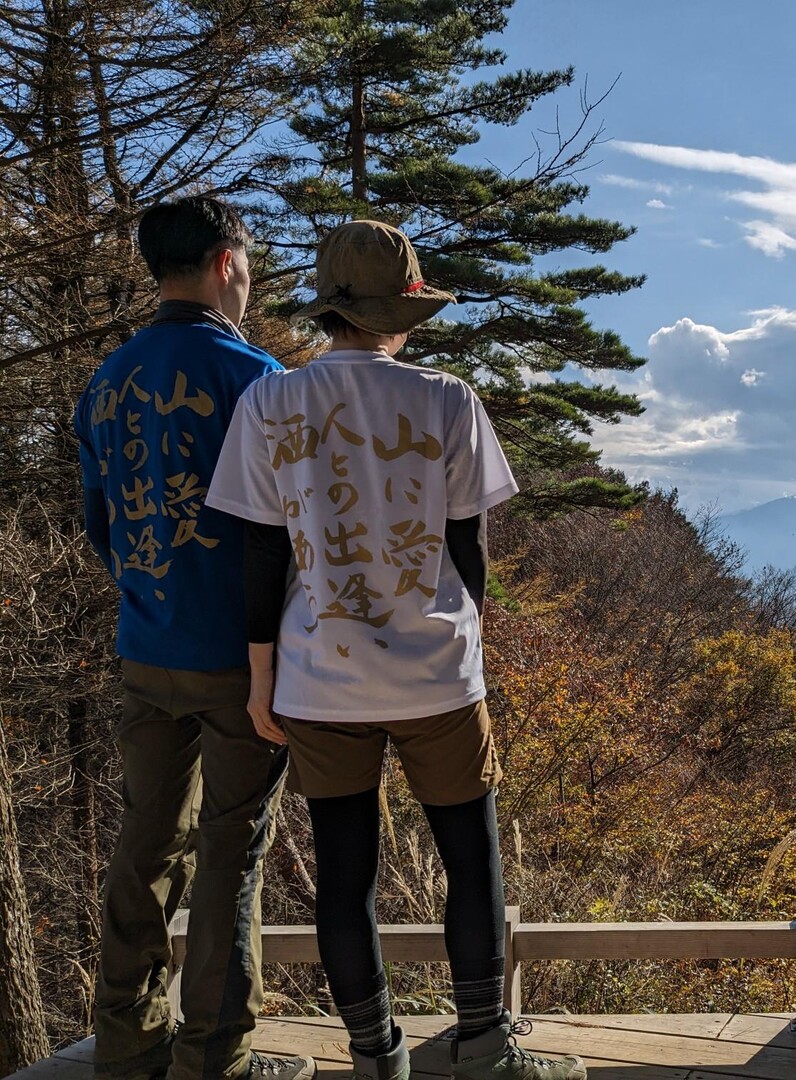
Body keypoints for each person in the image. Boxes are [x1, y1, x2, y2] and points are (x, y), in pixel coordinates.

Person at [206, 220, 585, 1080]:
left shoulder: (270, 402)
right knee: (470, 856)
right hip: (436, 674)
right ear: (399, 310)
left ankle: (378, 1056)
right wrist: (469, 642)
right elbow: (468, 546)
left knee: (346, 872)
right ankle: (486, 1043)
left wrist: (262, 677)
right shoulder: (446, 398)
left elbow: (261, 552)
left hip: (319, 676)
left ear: (332, 309)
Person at [73, 197, 315, 1080]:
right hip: (239, 660)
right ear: (225, 262)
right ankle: (215, 1053)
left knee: (146, 840)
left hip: (147, 647)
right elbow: (292, 531)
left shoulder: (106, 381)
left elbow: (99, 525)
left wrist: (149, 589)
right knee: (232, 848)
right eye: (247, 264)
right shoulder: (257, 380)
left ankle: (128, 1043)